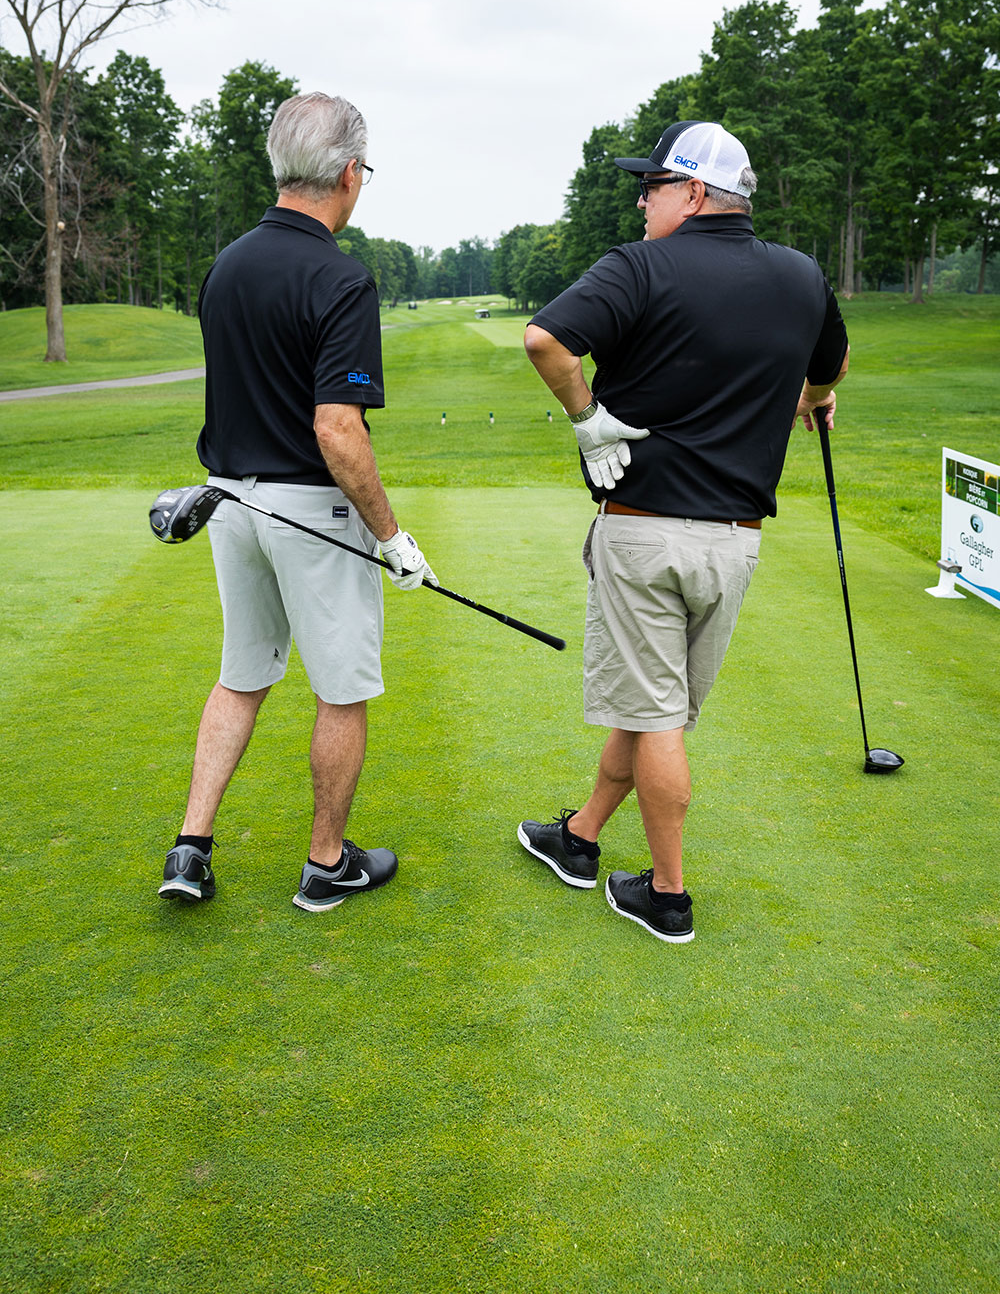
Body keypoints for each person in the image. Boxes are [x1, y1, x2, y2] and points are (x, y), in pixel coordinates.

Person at [517, 121, 849, 943]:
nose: (641, 199)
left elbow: (545, 340)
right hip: (735, 544)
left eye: (654, 185)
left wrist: (587, 418)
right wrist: (812, 399)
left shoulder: (640, 266)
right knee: (655, 704)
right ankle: (582, 837)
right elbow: (830, 364)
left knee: (657, 715)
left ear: (695, 192)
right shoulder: (800, 274)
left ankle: (667, 896)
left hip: (643, 534)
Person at [158, 92, 436, 913]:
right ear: (349, 173)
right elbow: (338, 430)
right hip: (311, 512)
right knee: (340, 690)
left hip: (228, 503)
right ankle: (325, 865)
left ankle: (191, 848)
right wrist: (393, 537)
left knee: (241, 676)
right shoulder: (341, 278)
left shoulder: (229, 264)